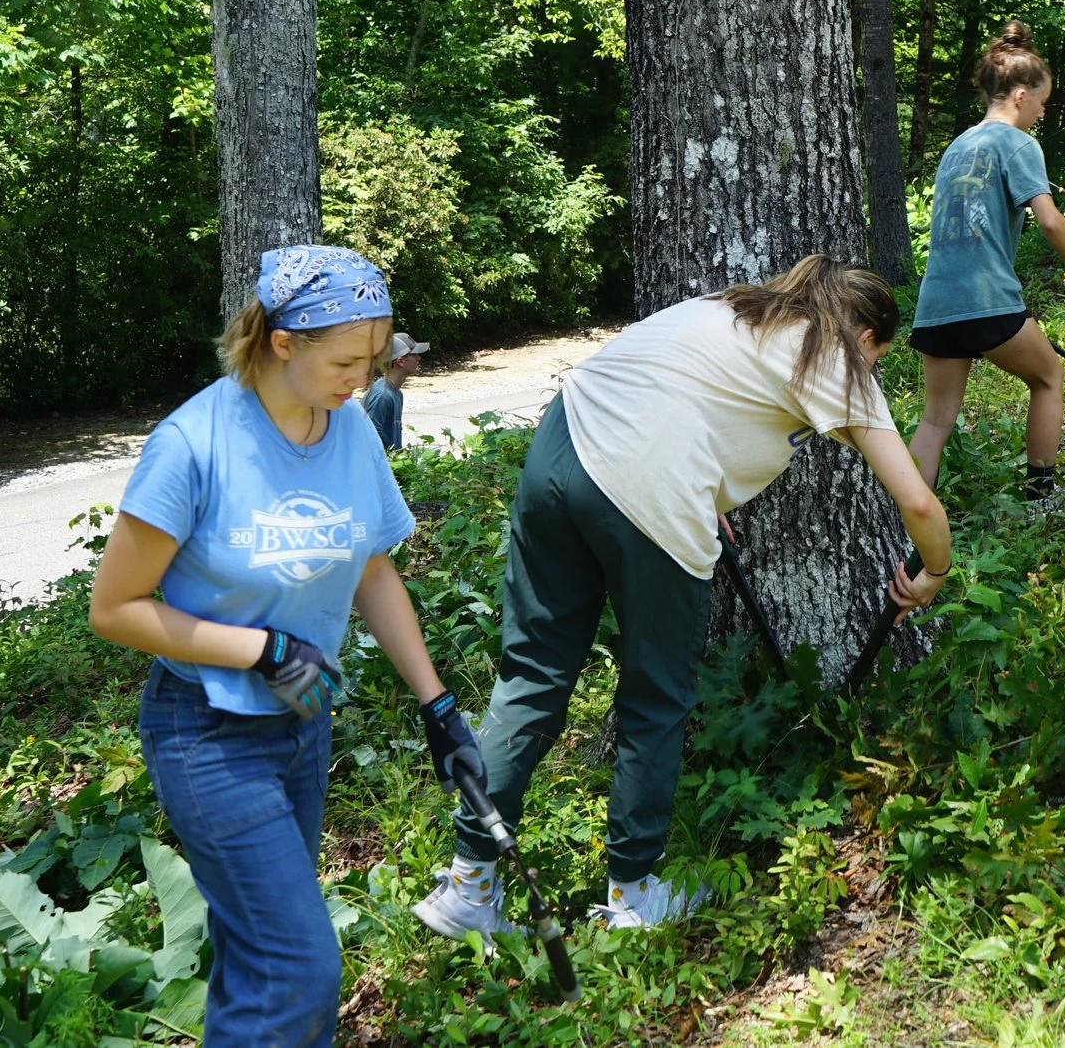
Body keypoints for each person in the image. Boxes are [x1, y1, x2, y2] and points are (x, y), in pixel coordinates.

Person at [416, 256, 953, 941]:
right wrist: (934, 569)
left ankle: (468, 884)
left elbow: (683, 400)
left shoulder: (731, 309)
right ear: (868, 335)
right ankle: (634, 891)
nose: (870, 374)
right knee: (655, 694)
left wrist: (700, 484)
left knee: (533, 674)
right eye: (877, 360)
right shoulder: (837, 355)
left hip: (561, 445)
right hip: (648, 489)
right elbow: (916, 501)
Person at [90, 245, 477, 1048]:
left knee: (259, 957)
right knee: (302, 964)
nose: (363, 379)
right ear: (282, 341)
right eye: (345, 360)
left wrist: (438, 705)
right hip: (206, 734)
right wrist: (261, 649)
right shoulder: (192, 443)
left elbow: (373, 570)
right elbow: (115, 608)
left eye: (374, 360)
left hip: (301, 728)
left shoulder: (351, 430)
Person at [908, 24, 1065, 502]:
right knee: (1048, 378)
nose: (1042, 109)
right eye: (1041, 100)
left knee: (934, 420)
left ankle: (902, 520)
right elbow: (1051, 222)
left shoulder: (958, 147)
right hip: (986, 297)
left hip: (936, 303)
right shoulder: (1019, 144)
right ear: (1019, 94)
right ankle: (1041, 496)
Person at [360, 329, 429, 452]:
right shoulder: (382, 396)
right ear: (401, 361)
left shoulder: (396, 393)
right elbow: (368, 440)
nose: (419, 358)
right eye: (414, 355)